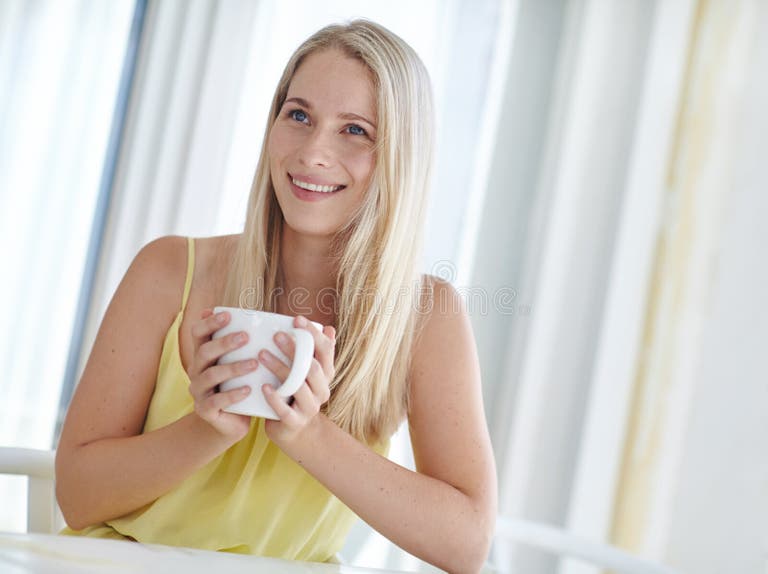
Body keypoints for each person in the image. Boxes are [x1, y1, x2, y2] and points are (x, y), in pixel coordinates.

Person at [55, 19, 497, 574]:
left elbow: (467, 544)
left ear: (399, 157)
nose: (313, 152)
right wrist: (206, 426)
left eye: (355, 130)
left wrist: (309, 436)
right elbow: (75, 493)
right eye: (299, 116)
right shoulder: (168, 270)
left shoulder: (425, 318)